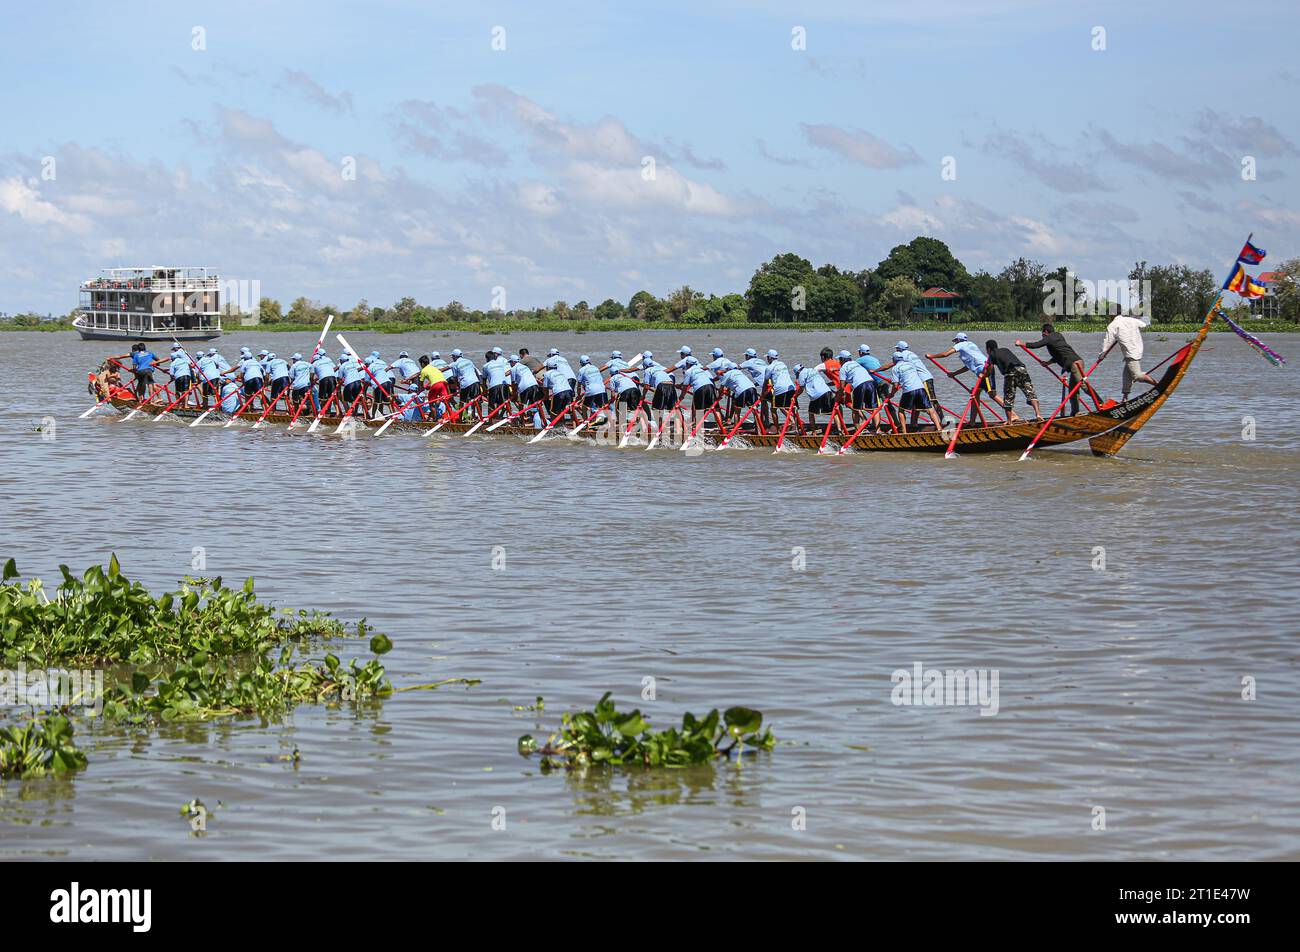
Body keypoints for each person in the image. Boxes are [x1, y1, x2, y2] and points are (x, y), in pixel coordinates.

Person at [1016, 323, 1092, 416]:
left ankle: (1100, 403)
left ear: (1046, 332)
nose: (1042, 336)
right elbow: (1058, 355)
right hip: (1077, 362)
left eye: (1042, 334)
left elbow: (1036, 345)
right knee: (1073, 390)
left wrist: (1021, 343)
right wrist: (1048, 363)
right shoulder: (1058, 336)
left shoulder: (1049, 338)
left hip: (1075, 364)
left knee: (1083, 385)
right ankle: (1075, 413)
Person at [928, 333, 1002, 413]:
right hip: (984, 370)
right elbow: (968, 366)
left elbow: (945, 354)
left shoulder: (960, 345)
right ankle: (972, 422)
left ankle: (1012, 415)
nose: (955, 343)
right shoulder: (971, 345)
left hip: (985, 371)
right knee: (975, 394)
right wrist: (954, 374)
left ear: (958, 340)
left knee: (992, 394)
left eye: (955, 341)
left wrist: (931, 356)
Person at [1099, 312, 1157, 400]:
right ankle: (1124, 399)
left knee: (1137, 376)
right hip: (1137, 350)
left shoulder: (1113, 325)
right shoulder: (1131, 320)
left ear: (1112, 314)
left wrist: (1102, 355)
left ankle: (1157, 385)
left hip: (1131, 353)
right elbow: (1144, 324)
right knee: (1126, 376)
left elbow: (1107, 341)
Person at [984, 339, 1041, 423]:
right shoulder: (1005, 349)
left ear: (989, 349)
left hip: (1010, 372)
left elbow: (990, 369)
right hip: (1022, 369)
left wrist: (985, 375)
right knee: (1030, 392)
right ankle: (1038, 414)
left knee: (1008, 397)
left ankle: (1009, 421)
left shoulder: (992, 354)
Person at [890, 349, 943, 433]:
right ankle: (939, 428)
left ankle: (904, 432)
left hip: (909, 390)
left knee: (901, 411)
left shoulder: (895, 368)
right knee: (930, 410)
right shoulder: (911, 364)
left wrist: (891, 394)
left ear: (894, 360)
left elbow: (895, 386)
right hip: (921, 388)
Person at [507, 354, 543, 428]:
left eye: (510, 362)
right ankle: (537, 424)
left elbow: (514, 384)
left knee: (521, 405)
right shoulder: (526, 367)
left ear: (513, 362)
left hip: (525, 387)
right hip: (535, 385)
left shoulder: (513, 369)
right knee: (534, 405)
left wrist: (514, 395)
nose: (510, 364)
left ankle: (522, 423)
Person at [794, 362, 834, 428]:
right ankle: (839, 429)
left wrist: (795, 396)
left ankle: (814, 432)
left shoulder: (801, 374)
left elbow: (801, 389)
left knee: (811, 413)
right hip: (828, 391)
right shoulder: (812, 370)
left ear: (798, 371)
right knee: (833, 412)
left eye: (797, 374)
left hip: (816, 395)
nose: (798, 376)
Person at [446, 349, 481, 416]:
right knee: (477, 401)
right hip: (475, 382)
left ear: (455, 356)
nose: (452, 358)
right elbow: (476, 371)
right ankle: (478, 417)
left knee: (462, 402)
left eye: (452, 357)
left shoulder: (455, 364)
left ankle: (460, 419)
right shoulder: (469, 361)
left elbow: (455, 378)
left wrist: (458, 388)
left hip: (465, 384)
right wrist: (480, 382)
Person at [763, 349, 797, 420]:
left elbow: (765, 383)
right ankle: (796, 427)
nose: (767, 359)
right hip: (791, 388)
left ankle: (777, 430)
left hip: (779, 390)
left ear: (769, 358)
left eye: (767, 358)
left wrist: (763, 394)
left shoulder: (769, 368)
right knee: (792, 408)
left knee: (773, 410)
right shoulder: (783, 364)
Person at [575, 354, 609, 420]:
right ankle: (609, 422)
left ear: (581, 363)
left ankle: (586, 425)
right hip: (602, 389)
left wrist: (579, 395)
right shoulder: (595, 367)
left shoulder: (582, 370)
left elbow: (579, 385)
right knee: (603, 407)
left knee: (584, 408)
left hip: (591, 390)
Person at [417, 354, 451, 419]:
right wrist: (429, 387)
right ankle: (448, 417)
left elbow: (421, 384)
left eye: (420, 364)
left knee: (431, 403)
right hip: (444, 383)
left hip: (436, 385)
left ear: (422, 363)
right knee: (446, 401)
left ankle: (435, 420)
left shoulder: (423, 370)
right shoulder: (433, 367)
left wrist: (419, 391)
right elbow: (437, 379)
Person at [542, 356, 574, 421]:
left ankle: (554, 428)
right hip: (569, 392)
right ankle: (562, 425)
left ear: (547, 367)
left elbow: (545, 388)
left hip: (559, 393)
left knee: (553, 412)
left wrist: (546, 397)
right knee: (562, 410)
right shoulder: (560, 373)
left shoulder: (547, 374)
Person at [482, 347, 512, 415]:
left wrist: (484, 391)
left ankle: (491, 420)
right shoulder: (501, 364)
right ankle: (509, 419)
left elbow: (484, 381)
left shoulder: (485, 366)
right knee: (506, 402)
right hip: (505, 385)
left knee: (491, 404)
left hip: (494, 386)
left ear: (487, 359)